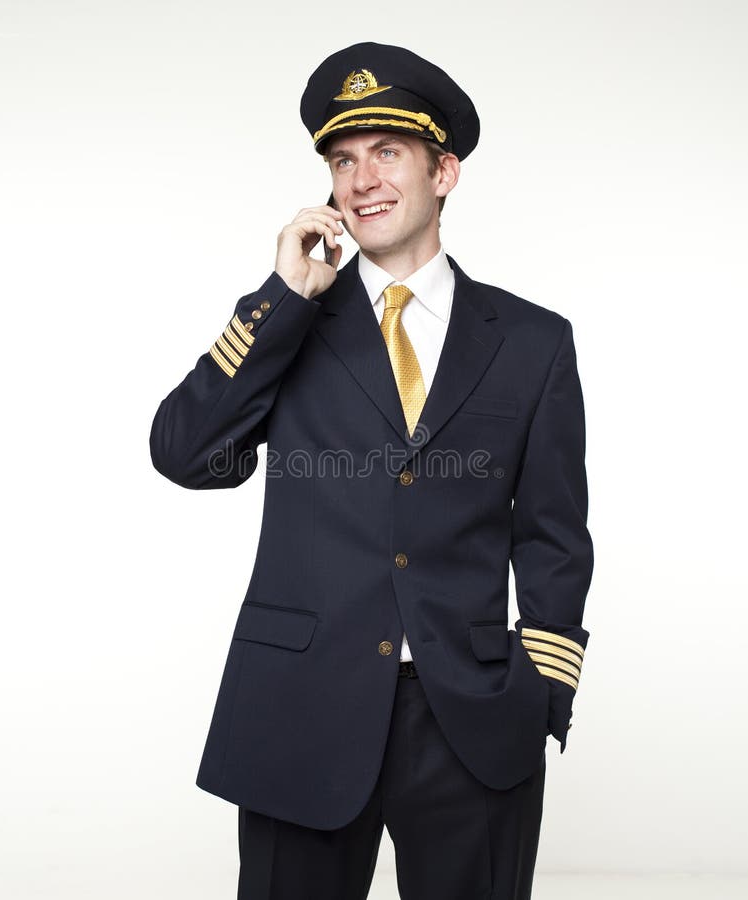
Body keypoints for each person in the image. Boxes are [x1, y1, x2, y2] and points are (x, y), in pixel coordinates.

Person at [150, 41, 594, 900]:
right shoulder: (290, 324)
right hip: (300, 706)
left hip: (469, 713)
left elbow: (552, 534)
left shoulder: (534, 341)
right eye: (343, 161)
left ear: (444, 172)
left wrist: (537, 692)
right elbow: (186, 456)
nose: (362, 181)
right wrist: (280, 298)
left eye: (387, 153)